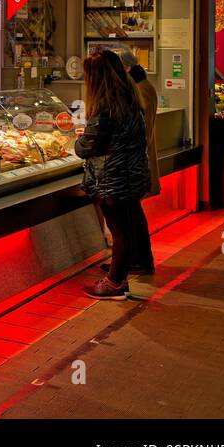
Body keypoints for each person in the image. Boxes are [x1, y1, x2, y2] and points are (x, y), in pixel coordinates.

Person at [75, 50, 152, 299]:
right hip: (131, 176)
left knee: (119, 233)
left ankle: (115, 283)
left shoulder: (104, 109)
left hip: (112, 180)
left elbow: (85, 148)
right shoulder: (130, 100)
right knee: (125, 230)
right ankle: (121, 277)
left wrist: (79, 140)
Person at [119, 48, 161, 198]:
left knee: (133, 211)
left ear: (127, 68)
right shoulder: (145, 85)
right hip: (142, 154)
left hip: (138, 159)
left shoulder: (138, 90)